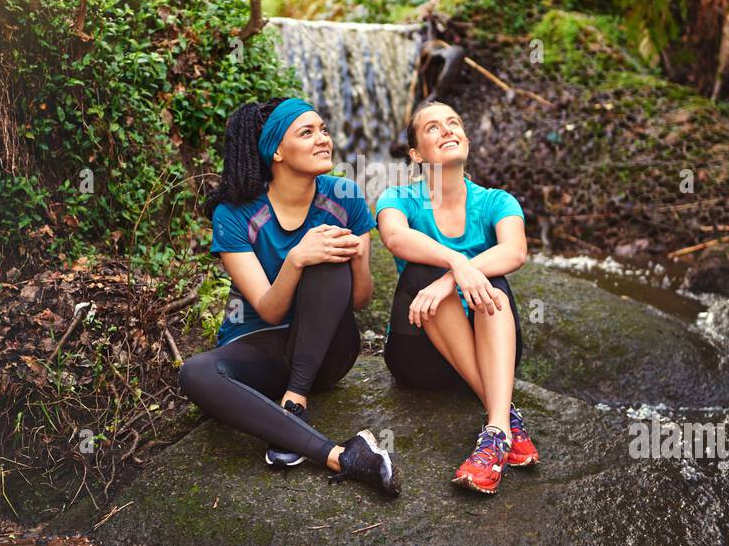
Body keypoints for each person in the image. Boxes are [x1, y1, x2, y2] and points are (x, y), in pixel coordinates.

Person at [177, 96, 400, 496]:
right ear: (276, 150)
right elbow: (269, 307)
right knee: (194, 373)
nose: (323, 140)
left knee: (329, 254)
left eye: (324, 130)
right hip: (260, 350)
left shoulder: (344, 196)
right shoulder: (235, 214)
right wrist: (296, 259)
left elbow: (361, 300)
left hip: (327, 352)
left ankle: (294, 401)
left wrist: (360, 257)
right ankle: (342, 455)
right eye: (307, 132)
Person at [376, 100, 538, 495]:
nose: (447, 130)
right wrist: (455, 262)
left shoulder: (497, 201)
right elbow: (395, 237)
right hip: (421, 356)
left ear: (465, 138)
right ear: (415, 154)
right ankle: (502, 412)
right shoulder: (397, 198)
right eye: (433, 127)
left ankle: (496, 431)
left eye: (454, 123)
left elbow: (515, 251)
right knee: (421, 270)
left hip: (491, 350)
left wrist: (454, 278)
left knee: (493, 277)